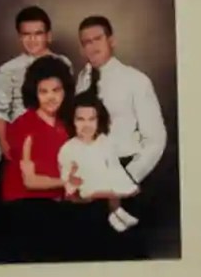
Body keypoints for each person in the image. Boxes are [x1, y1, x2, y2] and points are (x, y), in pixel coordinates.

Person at [73, 15, 167, 230]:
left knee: (124, 247)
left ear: (111, 40)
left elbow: (156, 139)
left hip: (124, 168)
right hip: (90, 173)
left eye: (98, 39)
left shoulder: (136, 80)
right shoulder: (82, 79)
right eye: (86, 42)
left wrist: (127, 178)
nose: (92, 46)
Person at [0, 6, 73, 185]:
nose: (32, 39)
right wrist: (6, 147)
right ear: (19, 36)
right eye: (26, 34)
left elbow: (68, 104)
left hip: (56, 140)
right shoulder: (6, 71)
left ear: (48, 36)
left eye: (38, 33)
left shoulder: (63, 63)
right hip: (23, 142)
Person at [0, 55, 76, 262]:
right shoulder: (24, 126)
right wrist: (67, 183)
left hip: (56, 202)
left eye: (56, 90)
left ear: (65, 91)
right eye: (43, 91)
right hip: (26, 206)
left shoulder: (64, 125)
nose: (51, 97)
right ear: (34, 93)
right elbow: (30, 181)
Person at [58, 92, 140, 233]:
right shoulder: (68, 148)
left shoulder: (104, 141)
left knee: (117, 180)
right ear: (72, 121)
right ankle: (114, 213)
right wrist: (72, 179)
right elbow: (67, 182)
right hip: (85, 191)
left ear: (99, 120)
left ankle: (116, 213)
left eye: (91, 119)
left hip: (105, 184)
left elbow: (114, 166)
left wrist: (122, 183)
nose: (86, 125)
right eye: (80, 119)